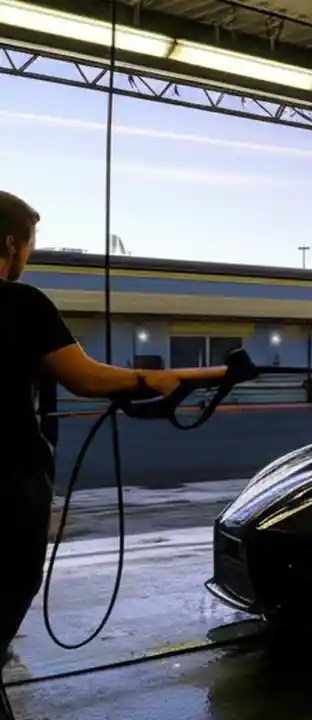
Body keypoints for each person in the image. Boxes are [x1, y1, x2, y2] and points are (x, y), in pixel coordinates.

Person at [0, 191, 223, 720]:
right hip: (5, 493)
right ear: (10, 244)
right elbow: (86, 377)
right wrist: (151, 378)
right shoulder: (20, 302)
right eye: (31, 246)